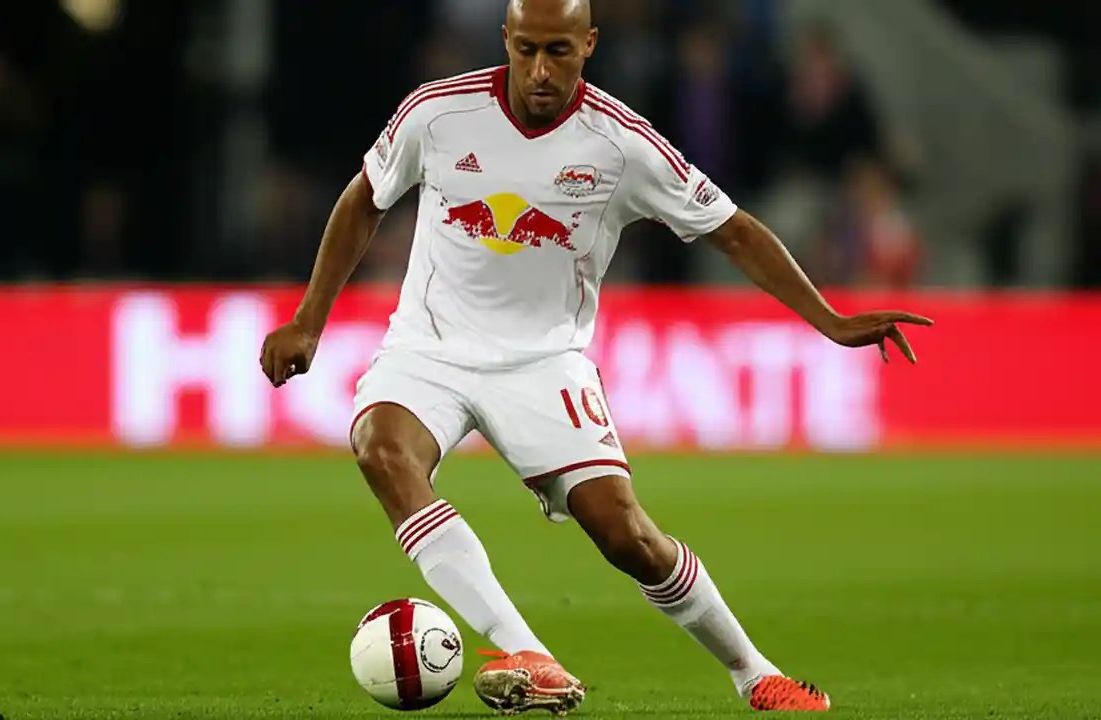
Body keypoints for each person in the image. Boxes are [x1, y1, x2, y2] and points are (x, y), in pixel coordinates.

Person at [259, 0, 932, 714]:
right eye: (525, 51)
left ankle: (754, 673)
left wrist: (826, 319)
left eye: (558, 51)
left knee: (628, 537)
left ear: (590, 44)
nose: (540, 71)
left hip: (545, 364)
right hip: (428, 349)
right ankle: (530, 653)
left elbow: (731, 230)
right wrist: (309, 318)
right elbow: (367, 197)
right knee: (380, 448)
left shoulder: (622, 144)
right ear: (505, 41)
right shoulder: (437, 113)